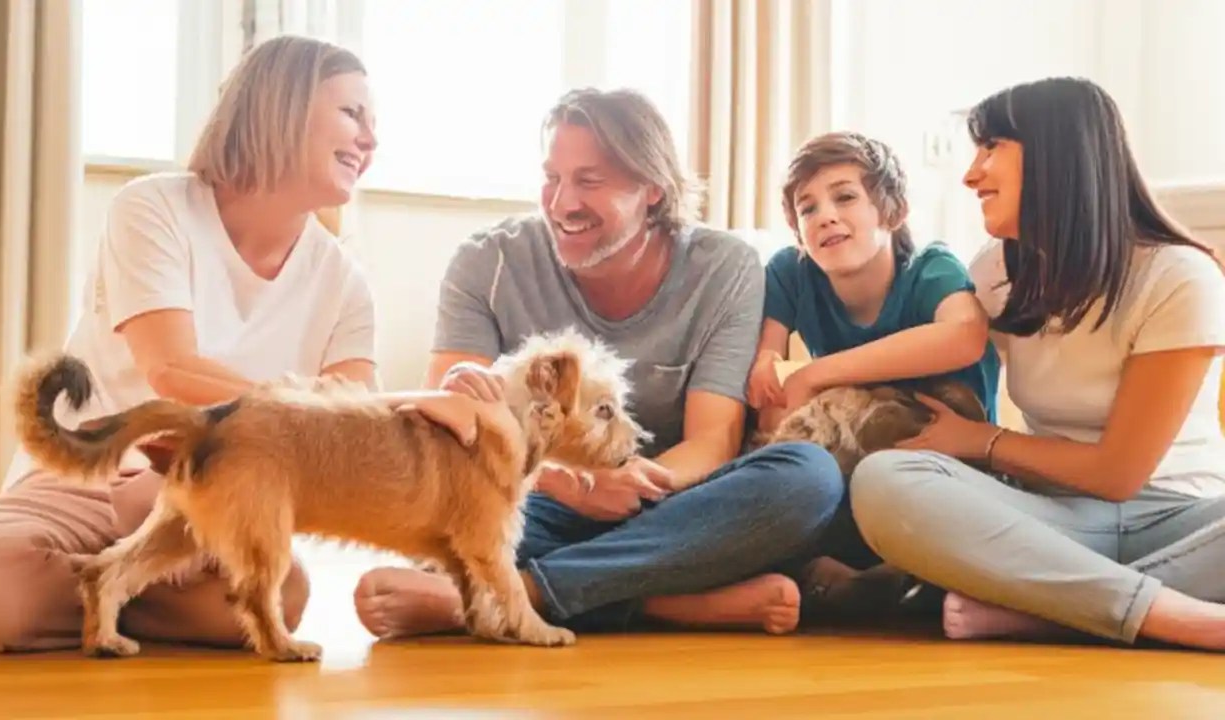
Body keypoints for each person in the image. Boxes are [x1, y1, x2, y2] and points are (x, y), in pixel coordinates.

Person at [0, 35, 479, 653]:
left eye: (372, 123)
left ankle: (106, 593)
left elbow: (351, 428)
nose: (370, 139)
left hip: (219, 497)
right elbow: (173, 370)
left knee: (283, 598)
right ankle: (114, 590)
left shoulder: (344, 282)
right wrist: (390, 403)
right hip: (97, 477)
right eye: (352, 113)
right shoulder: (154, 207)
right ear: (279, 107)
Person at [355, 87, 846, 638]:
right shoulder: (486, 262)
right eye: (552, 178)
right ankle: (670, 601)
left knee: (808, 479)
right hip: (539, 495)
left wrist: (628, 483)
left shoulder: (725, 269)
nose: (562, 203)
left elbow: (712, 441)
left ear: (652, 190)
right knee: (455, 519)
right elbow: (458, 436)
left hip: (670, 502)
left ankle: (519, 596)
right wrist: (577, 486)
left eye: (590, 181)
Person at [849, 76, 1225, 651]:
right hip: (1053, 523)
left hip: (1182, 520)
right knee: (883, 482)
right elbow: (928, 345)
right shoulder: (993, 272)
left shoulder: (1178, 276)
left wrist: (984, 441)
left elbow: (1118, 474)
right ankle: (1142, 610)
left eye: (991, 147)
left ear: (1060, 156)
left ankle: (1056, 612)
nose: (971, 174)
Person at [746, 131, 1002, 616]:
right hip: (850, 465)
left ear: (894, 210)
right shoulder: (790, 273)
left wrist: (820, 372)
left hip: (945, 461)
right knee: (778, 444)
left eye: (845, 197)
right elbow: (772, 378)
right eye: (807, 209)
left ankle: (898, 572)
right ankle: (860, 573)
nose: (825, 215)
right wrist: (767, 366)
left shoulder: (930, 269)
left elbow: (964, 335)